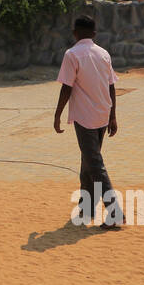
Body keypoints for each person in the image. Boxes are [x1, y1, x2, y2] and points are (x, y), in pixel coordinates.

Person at [53, 16, 124, 229]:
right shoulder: (103, 53)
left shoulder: (72, 54)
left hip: (85, 118)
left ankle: (115, 213)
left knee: (95, 165)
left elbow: (67, 87)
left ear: (75, 32)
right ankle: (87, 209)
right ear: (94, 34)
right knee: (88, 163)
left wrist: (57, 114)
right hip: (103, 115)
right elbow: (111, 86)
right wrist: (112, 115)